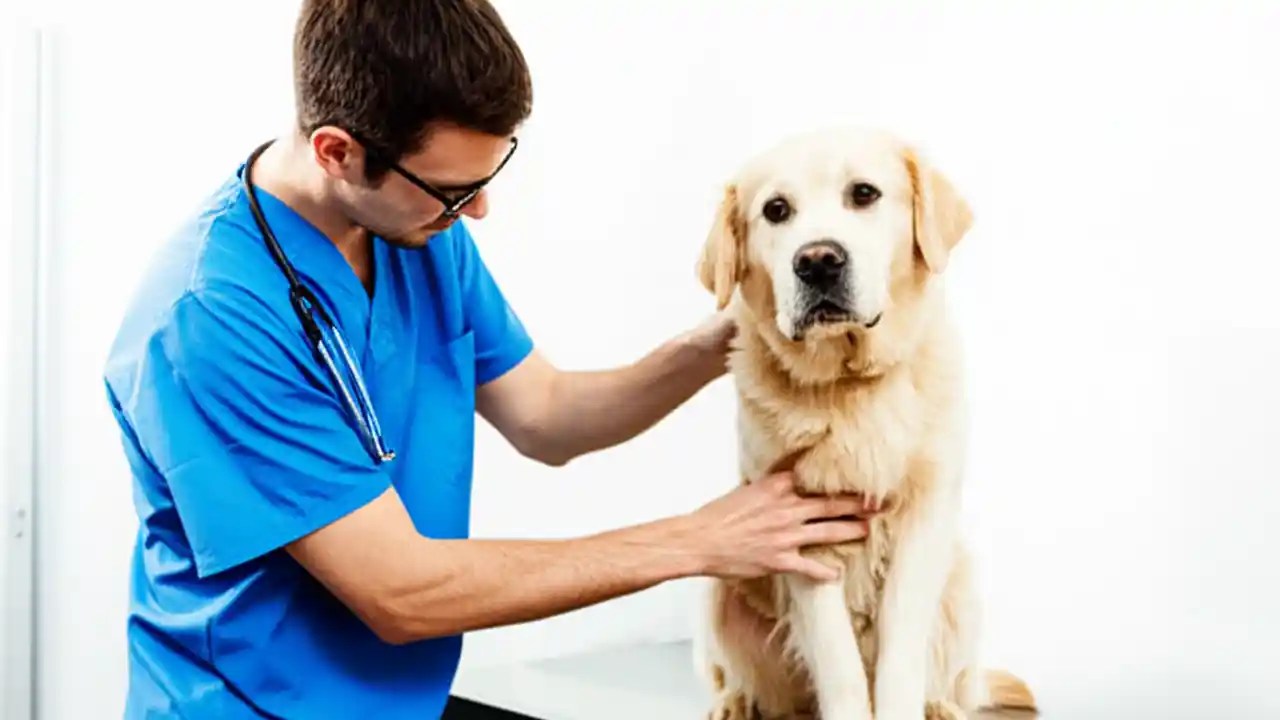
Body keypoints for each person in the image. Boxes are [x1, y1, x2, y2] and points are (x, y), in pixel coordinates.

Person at [102, 1, 873, 718]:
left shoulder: (414, 234)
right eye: (451, 190)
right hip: (256, 705)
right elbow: (400, 594)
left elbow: (548, 418)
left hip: (399, 703)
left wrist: (721, 342)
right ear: (338, 152)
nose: (476, 211)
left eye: (486, 178)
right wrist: (696, 542)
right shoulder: (211, 315)